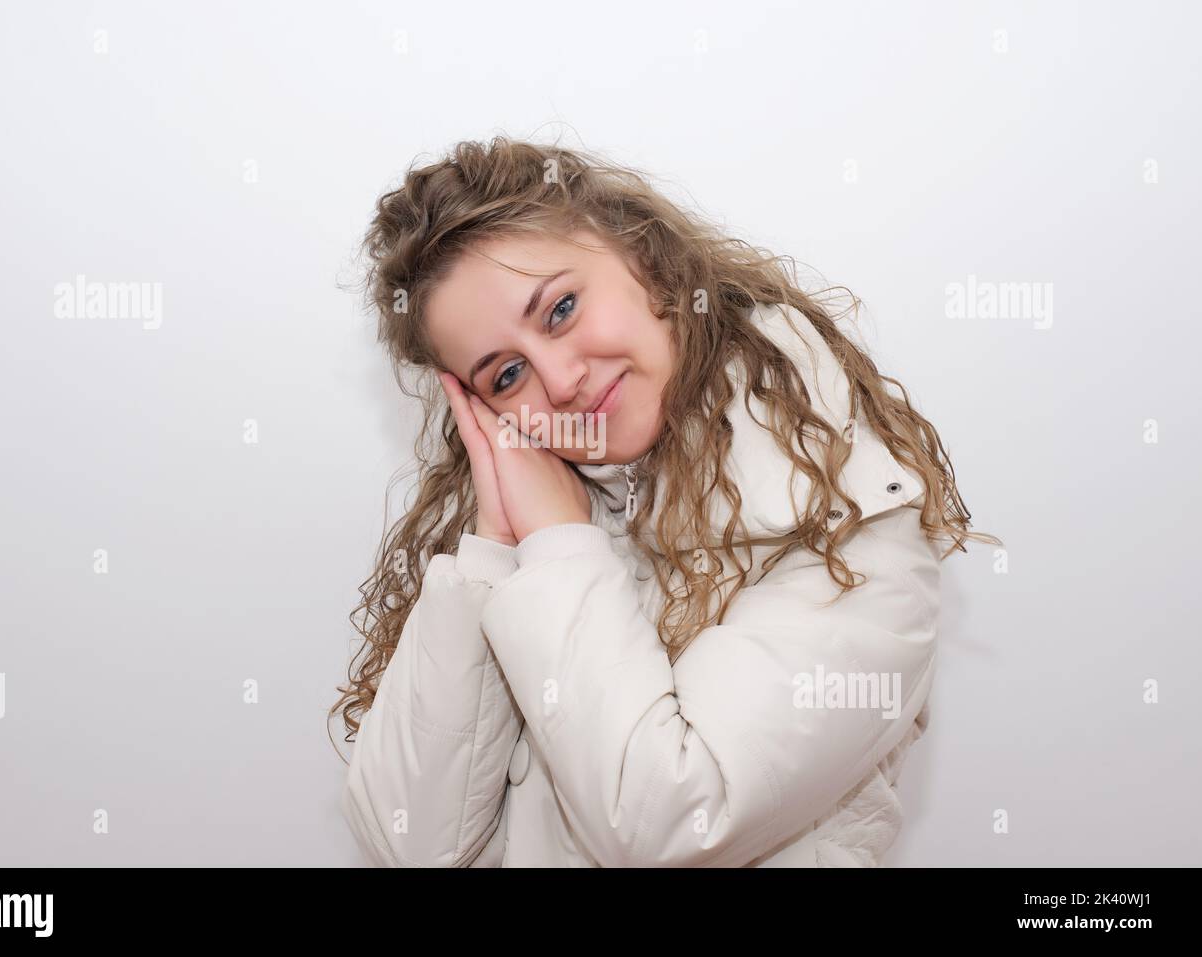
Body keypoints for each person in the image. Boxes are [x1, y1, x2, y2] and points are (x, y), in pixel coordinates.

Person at [329, 136, 1001, 867]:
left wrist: (556, 543)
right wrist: (494, 540)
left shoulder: (847, 520)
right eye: (506, 374)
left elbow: (670, 823)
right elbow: (411, 844)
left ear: (642, 256)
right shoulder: (543, 527)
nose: (559, 380)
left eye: (559, 309)